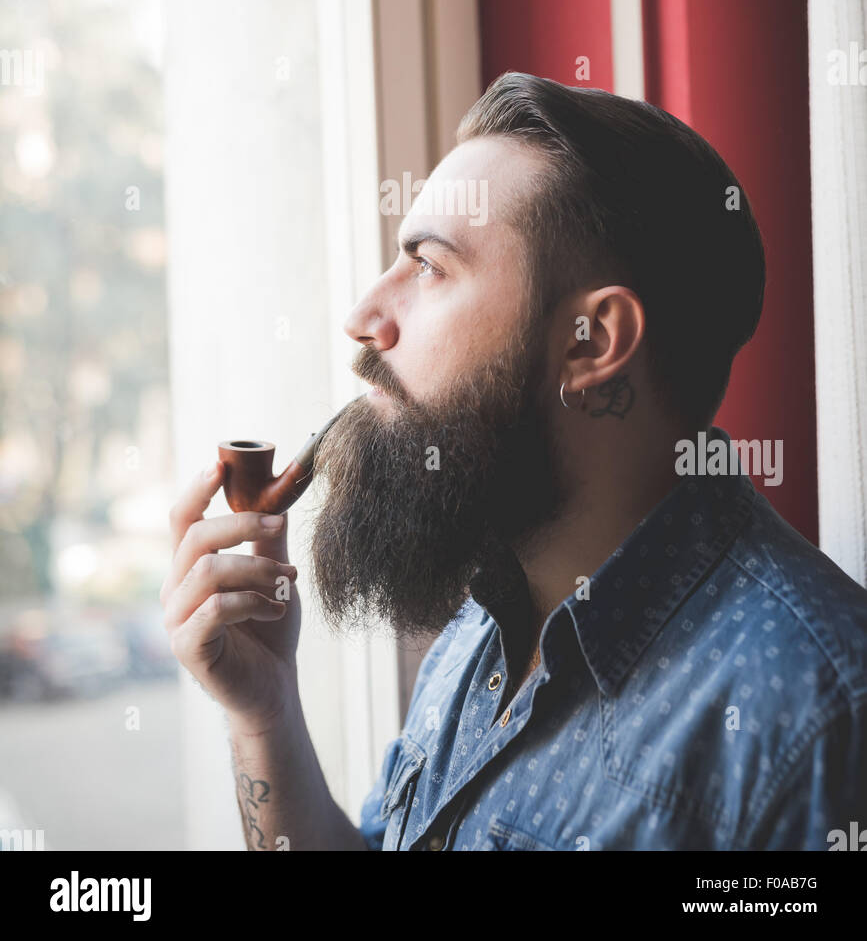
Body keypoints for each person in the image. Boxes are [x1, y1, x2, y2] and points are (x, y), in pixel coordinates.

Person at [161, 72, 867, 850]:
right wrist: (264, 715)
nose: (363, 316)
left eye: (428, 265)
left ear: (591, 342)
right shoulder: (488, 614)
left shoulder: (817, 718)